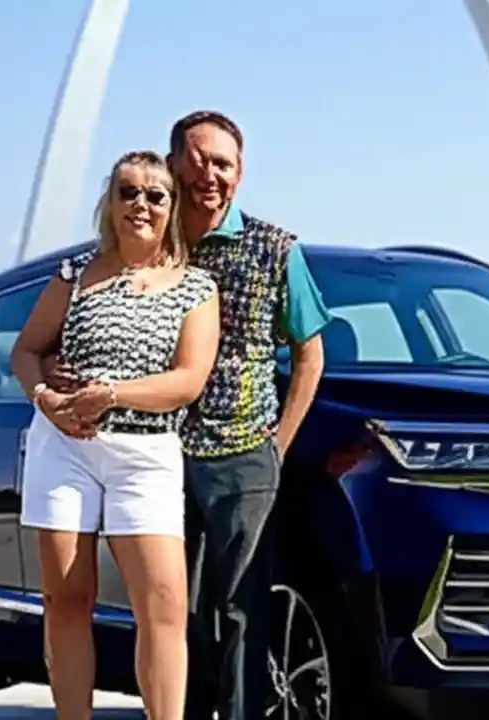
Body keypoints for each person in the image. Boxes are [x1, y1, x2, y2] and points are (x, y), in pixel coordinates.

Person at [11, 149, 221, 720]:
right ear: (110, 202)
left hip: (147, 453)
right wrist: (46, 398)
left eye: (156, 195)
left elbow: (187, 381)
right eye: (129, 192)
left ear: (171, 206)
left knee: (163, 603)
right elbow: (26, 350)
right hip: (65, 448)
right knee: (67, 599)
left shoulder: (195, 287)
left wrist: (112, 393)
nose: (141, 205)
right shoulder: (74, 273)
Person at [167, 110, 332, 720]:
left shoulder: (276, 249)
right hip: (160, 453)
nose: (210, 174)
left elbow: (309, 354)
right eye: (199, 159)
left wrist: (276, 446)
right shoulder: (156, 245)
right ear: (173, 163)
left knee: (240, 606)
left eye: (224, 164)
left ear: (240, 173)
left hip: (244, 456)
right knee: (170, 606)